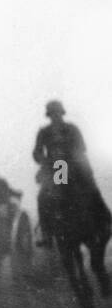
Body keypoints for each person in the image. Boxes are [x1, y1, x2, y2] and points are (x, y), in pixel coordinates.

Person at [32, 99, 111, 246]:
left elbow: (81, 147)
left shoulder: (72, 129)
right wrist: (45, 161)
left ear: (62, 113)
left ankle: (105, 219)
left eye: (57, 113)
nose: (55, 116)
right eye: (52, 114)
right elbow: (37, 152)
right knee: (43, 197)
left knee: (92, 189)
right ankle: (47, 233)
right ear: (49, 115)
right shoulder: (44, 132)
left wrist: (71, 159)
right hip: (56, 168)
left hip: (75, 166)